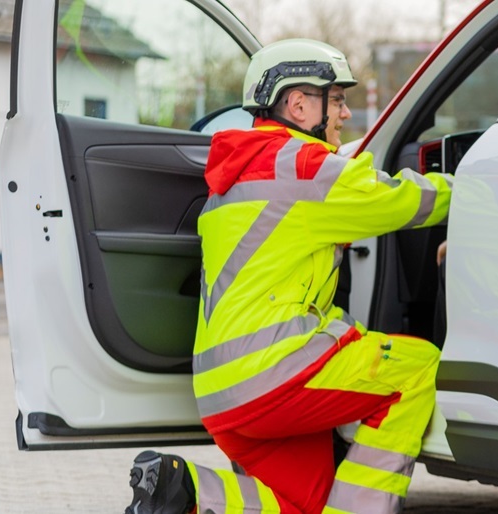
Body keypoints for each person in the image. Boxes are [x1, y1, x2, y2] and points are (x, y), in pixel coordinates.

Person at [125, 38, 453, 514]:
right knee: (416, 367)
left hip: (222, 394)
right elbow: (400, 200)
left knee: (300, 505)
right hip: (275, 372)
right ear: (300, 104)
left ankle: (183, 491)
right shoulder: (304, 168)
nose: (344, 114)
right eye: (337, 100)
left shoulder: (235, 177)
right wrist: (477, 187)